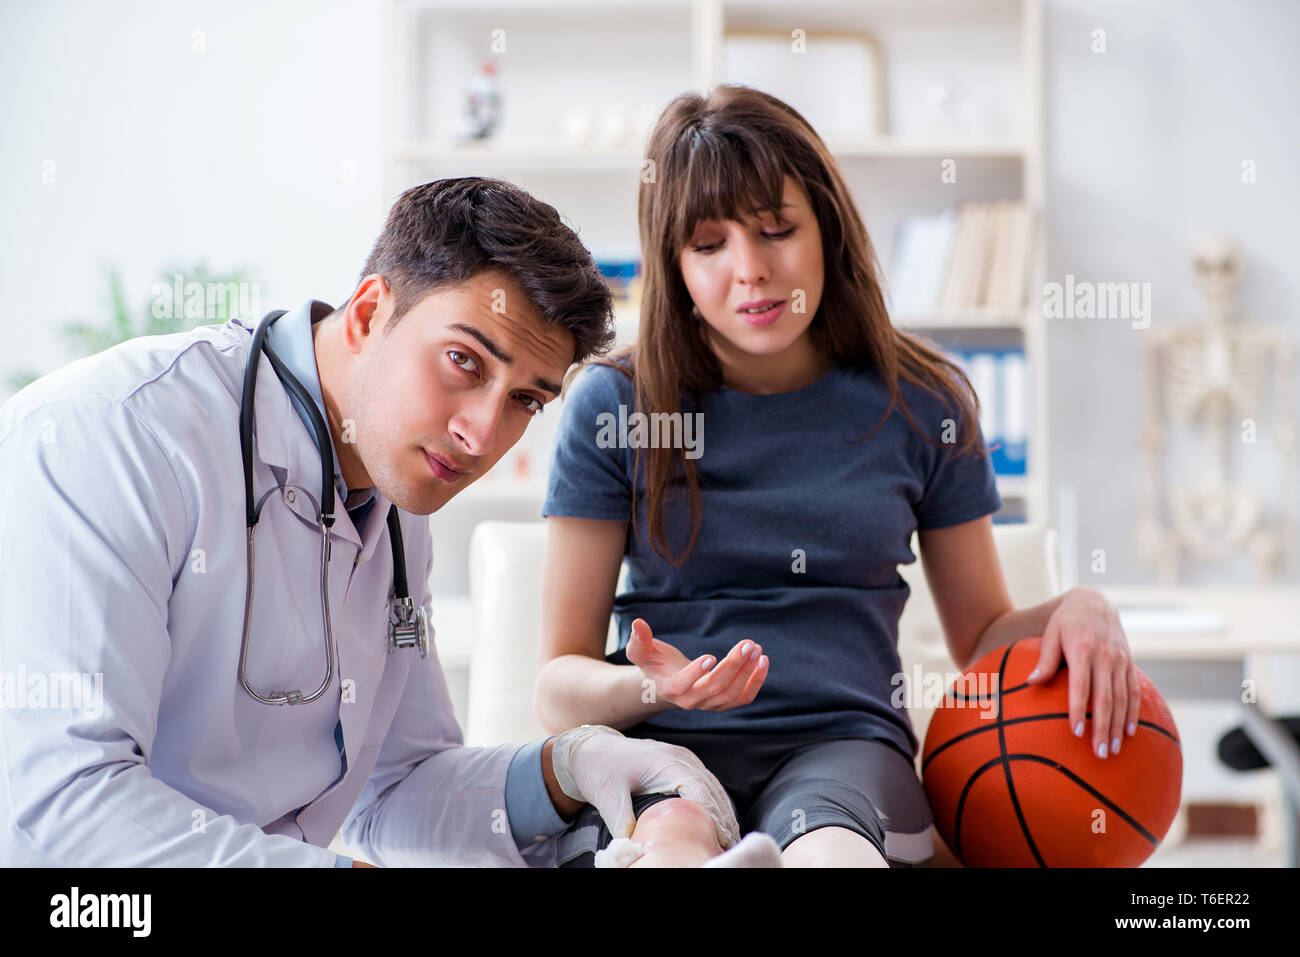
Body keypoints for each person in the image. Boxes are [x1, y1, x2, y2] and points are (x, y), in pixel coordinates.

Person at [0, 176, 744, 867]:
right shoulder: (109, 437)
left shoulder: (392, 500)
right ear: (367, 313)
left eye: (526, 400)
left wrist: (567, 766)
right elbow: (63, 803)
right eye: (464, 360)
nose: (482, 433)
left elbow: (396, 789)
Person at [535, 86, 1144, 867]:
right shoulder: (614, 404)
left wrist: (1081, 605)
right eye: (709, 245)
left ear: (827, 226)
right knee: (671, 835)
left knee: (833, 848)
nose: (750, 272)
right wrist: (656, 689)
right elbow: (556, 688)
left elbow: (983, 637)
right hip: (661, 747)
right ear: (674, 265)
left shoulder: (922, 401)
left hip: (846, 743)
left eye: (776, 230)